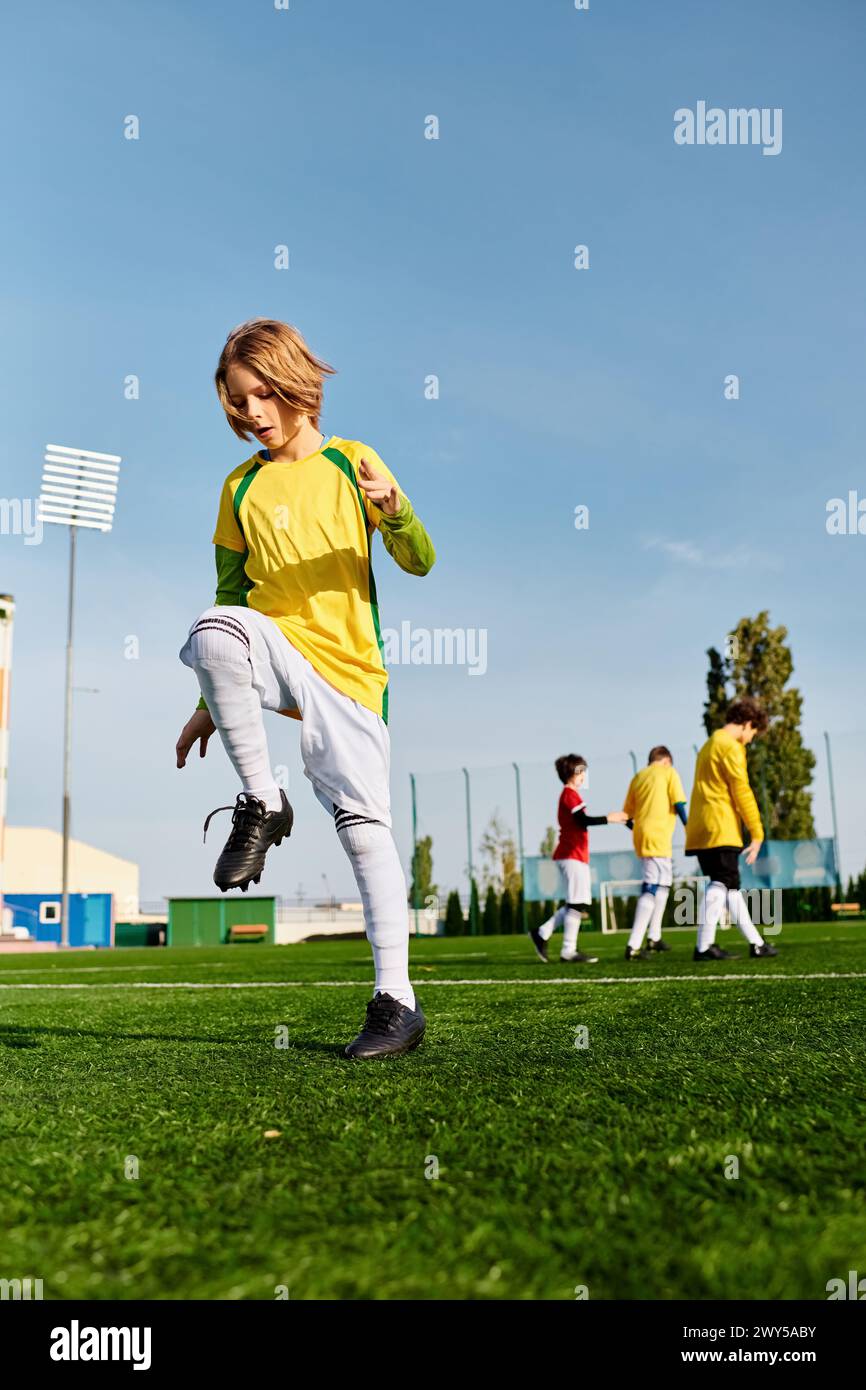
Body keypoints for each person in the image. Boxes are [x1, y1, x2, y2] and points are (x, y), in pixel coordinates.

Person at [175, 318, 436, 1057]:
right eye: (236, 401)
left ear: (294, 385)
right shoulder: (239, 487)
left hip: (350, 671)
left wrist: (393, 509)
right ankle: (263, 800)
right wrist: (206, 704)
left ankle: (397, 1004)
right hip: (276, 652)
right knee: (212, 625)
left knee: (364, 831)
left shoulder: (353, 462)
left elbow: (420, 561)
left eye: (261, 394)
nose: (251, 412)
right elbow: (229, 594)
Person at [686, 696, 778, 961]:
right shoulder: (730, 746)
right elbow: (742, 790)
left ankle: (756, 943)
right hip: (720, 825)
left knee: (730, 886)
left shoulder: (708, 745)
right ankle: (704, 946)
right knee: (722, 882)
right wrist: (757, 832)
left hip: (701, 826)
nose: (751, 739)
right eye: (753, 733)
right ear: (747, 724)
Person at [529, 754, 629, 964]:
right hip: (570, 854)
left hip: (574, 855)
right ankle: (567, 950)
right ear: (571, 774)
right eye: (581, 771)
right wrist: (609, 819)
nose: (584, 775)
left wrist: (619, 820)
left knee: (577, 901)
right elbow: (582, 820)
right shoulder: (569, 794)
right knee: (577, 901)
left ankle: (543, 933)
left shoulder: (572, 795)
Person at [622, 746, 687, 960]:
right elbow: (678, 803)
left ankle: (654, 937)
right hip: (658, 837)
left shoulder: (638, 777)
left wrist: (640, 829)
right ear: (667, 760)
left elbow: (626, 815)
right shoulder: (669, 772)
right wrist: (690, 828)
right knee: (651, 886)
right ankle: (633, 946)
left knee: (663, 884)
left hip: (643, 835)